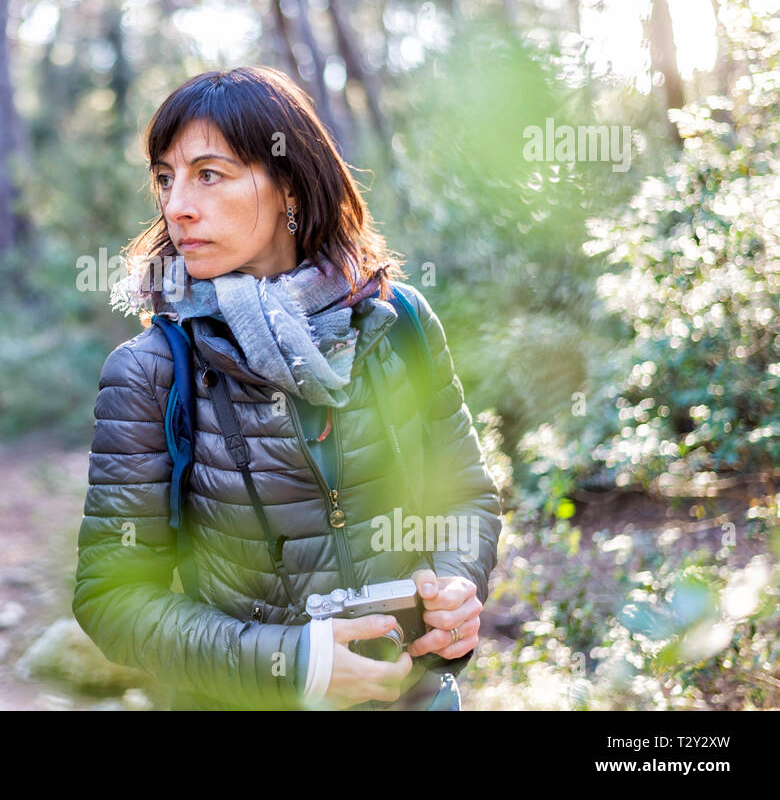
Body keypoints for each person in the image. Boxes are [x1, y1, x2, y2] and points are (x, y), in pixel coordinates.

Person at [72, 66, 502, 710]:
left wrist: (453, 583)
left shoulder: (398, 324)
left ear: (290, 187)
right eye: (166, 178)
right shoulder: (152, 370)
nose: (176, 205)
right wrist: (294, 663)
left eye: (208, 174)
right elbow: (111, 597)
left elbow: (466, 497)